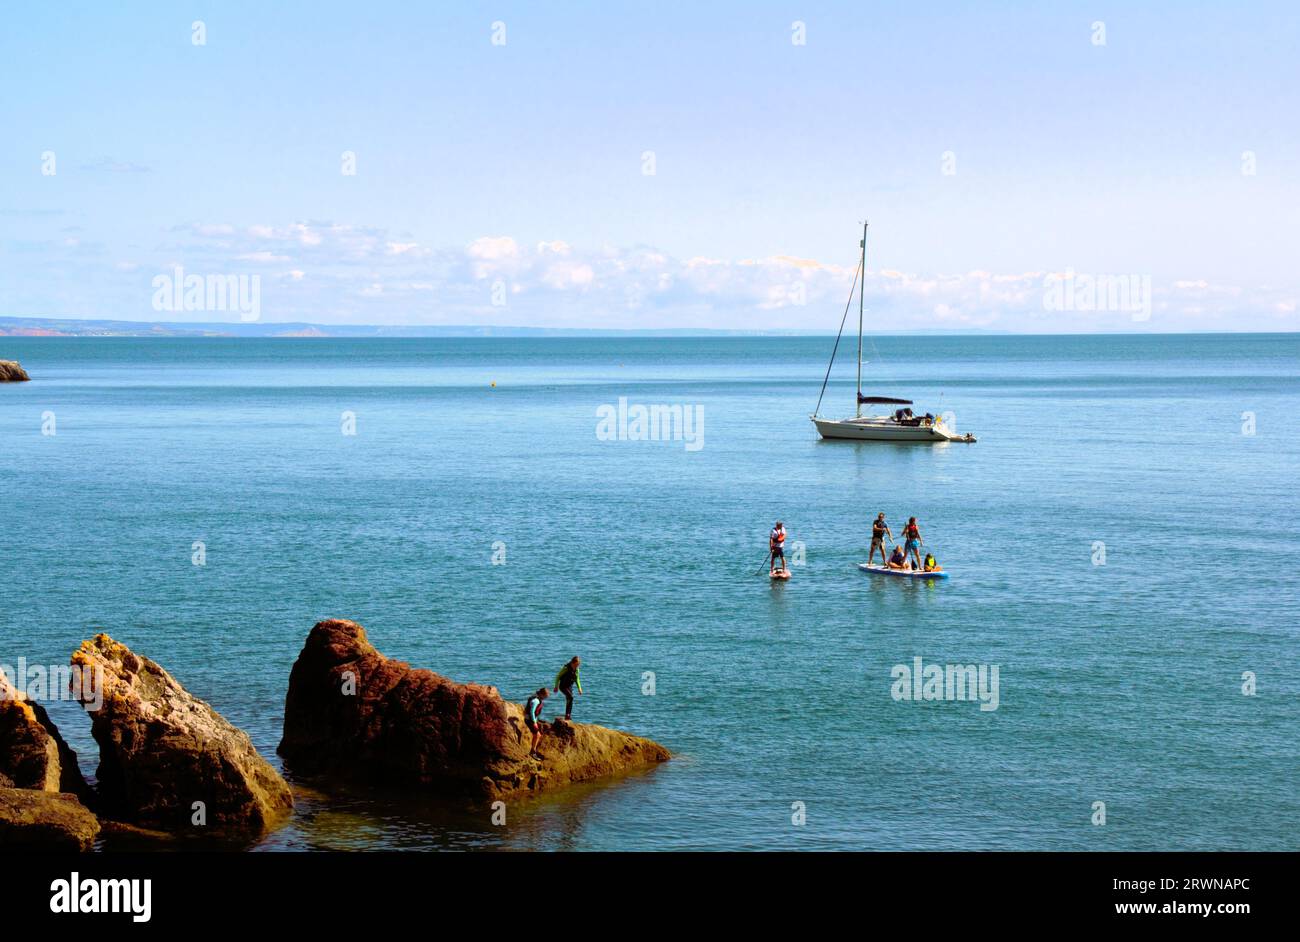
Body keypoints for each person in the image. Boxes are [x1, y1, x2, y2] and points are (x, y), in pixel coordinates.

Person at [553, 656, 583, 721]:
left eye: (578, 665)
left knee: (569, 700)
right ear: (572, 663)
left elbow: (577, 679)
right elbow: (558, 677)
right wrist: (556, 686)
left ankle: (568, 715)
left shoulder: (577, 670)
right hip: (563, 686)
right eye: (576, 665)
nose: (576, 666)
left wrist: (579, 688)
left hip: (569, 687)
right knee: (571, 697)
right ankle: (567, 715)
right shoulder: (566, 668)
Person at [523, 687, 549, 759]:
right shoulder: (536, 701)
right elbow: (532, 711)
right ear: (542, 694)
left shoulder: (535, 697)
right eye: (545, 696)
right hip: (530, 720)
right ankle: (533, 752)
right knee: (538, 735)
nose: (546, 698)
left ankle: (533, 750)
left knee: (537, 735)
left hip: (530, 719)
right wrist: (534, 722)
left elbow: (527, 709)